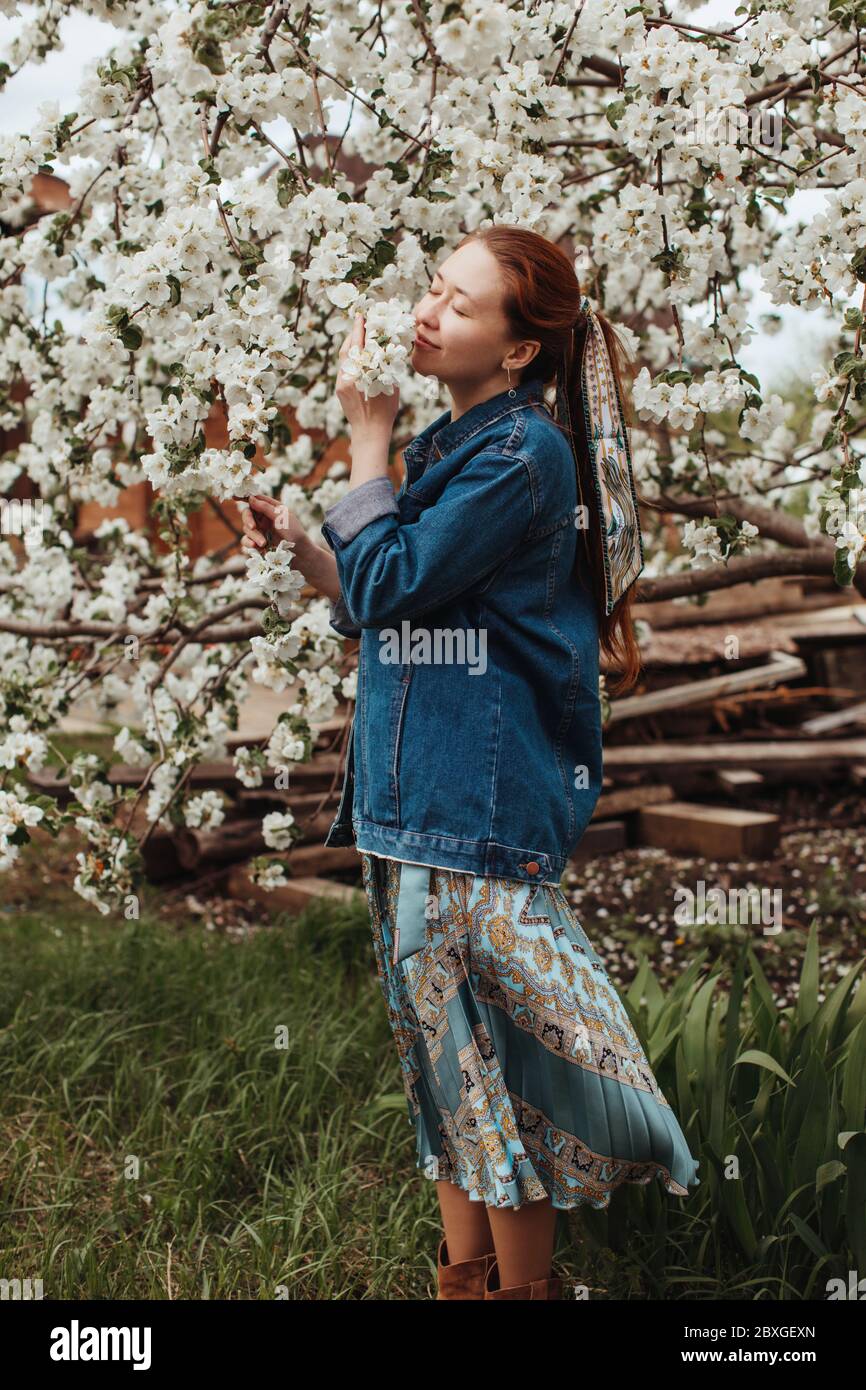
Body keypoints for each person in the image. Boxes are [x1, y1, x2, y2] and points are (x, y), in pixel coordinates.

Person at [241, 225, 700, 1301]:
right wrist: (313, 546)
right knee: (447, 1078)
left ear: (516, 352)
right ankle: (464, 1284)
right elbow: (377, 597)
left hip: (468, 812)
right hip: (413, 805)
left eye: (457, 303)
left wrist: (363, 447)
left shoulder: (520, 458)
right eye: (432, 288)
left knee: (486, 1077)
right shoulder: (454, 452)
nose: (426, 311)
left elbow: (393, 574)